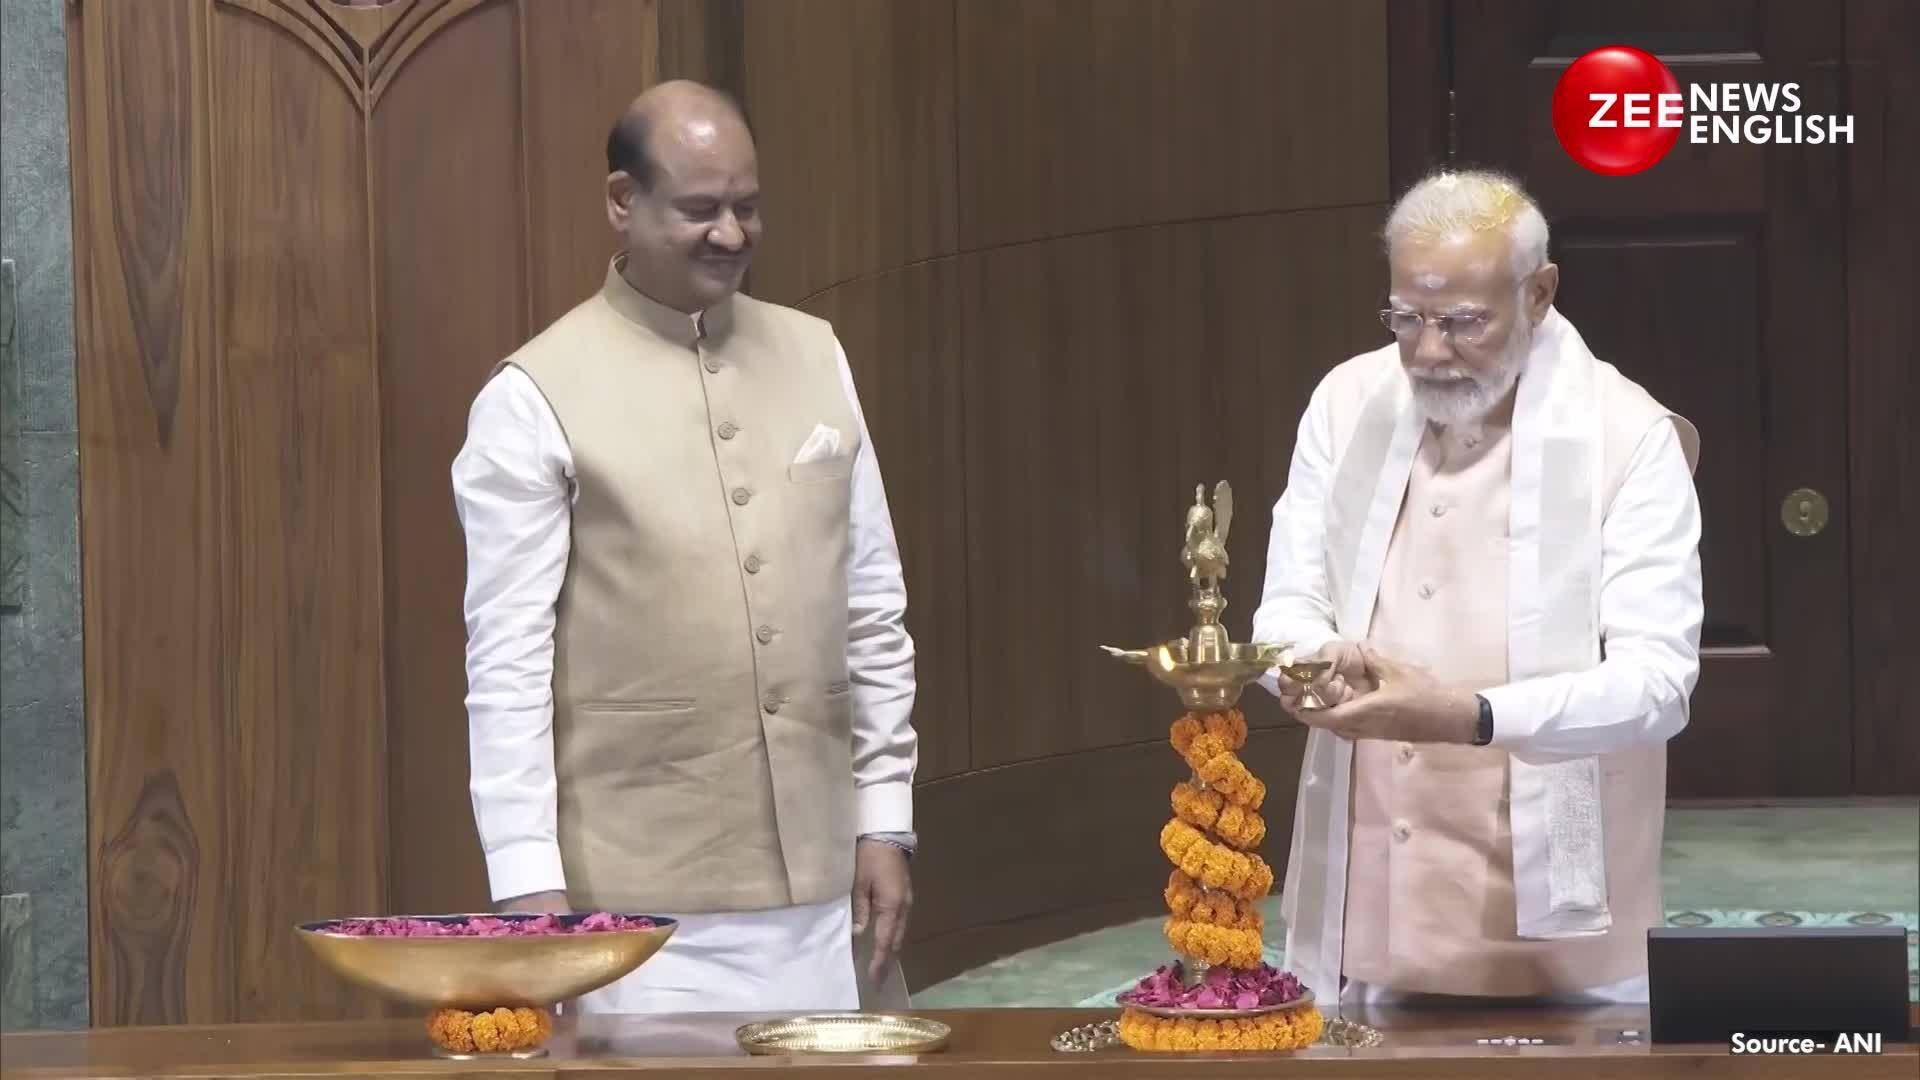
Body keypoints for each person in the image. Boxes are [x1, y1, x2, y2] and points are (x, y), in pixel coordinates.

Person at [452, 80, 918, 1014]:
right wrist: (526, 884)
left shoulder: (817, 353)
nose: (733, 235)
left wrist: (886, 821)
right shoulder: (531, 395)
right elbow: (506, 664)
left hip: (827, 894)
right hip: (631, 912)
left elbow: (872, 608)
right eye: (701, 210)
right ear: (624, 202)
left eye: (748, 208)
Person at [1252, 169, 1703, 1006]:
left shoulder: (1629, 436)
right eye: (1406, 318)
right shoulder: (1347, 402)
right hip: (1372, 907)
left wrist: (1469, 715)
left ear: (1539, 294)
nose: (1428, 350)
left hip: (1564, 934)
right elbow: (1286, 604)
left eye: (1463, 322)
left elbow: (1659, 686)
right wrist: (1310, 667)